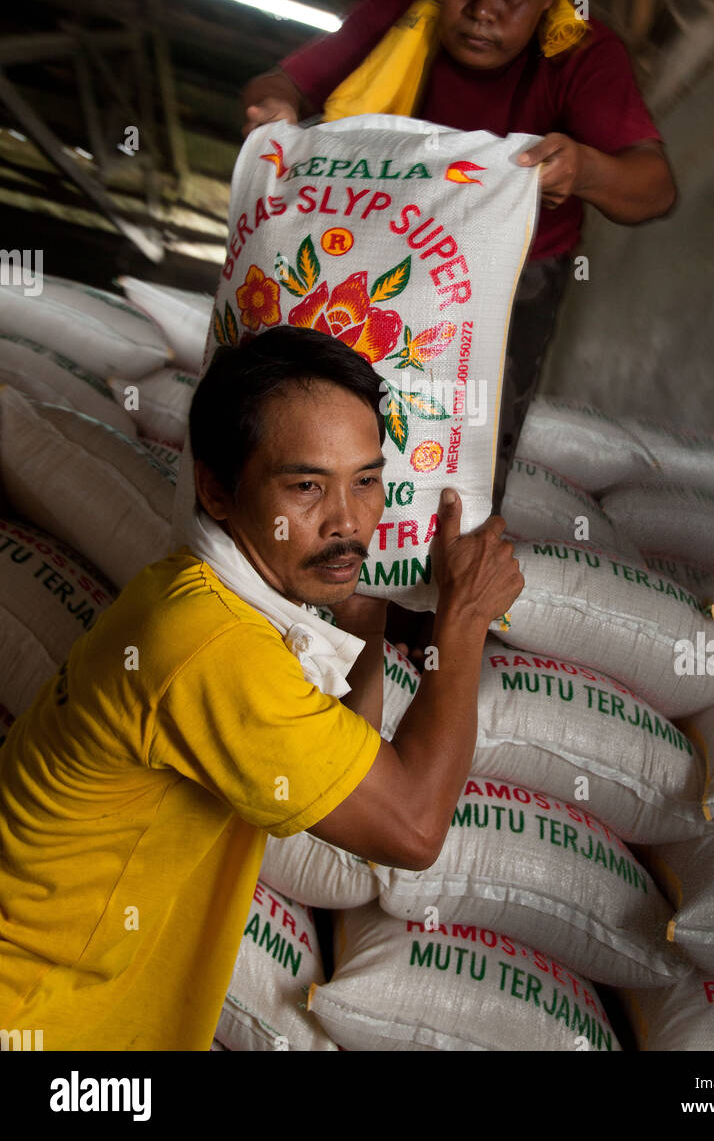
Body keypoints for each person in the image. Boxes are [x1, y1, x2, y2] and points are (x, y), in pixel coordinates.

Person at [0, 326, 523, 1050]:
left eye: (366, 481)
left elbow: (348, 751)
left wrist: (365, 607)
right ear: (217, 488)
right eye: (306, 486)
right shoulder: (214, 650)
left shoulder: (200, 599)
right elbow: (412, 826)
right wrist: (461, 622)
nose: (347, 521)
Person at [242, 0, 675, 660]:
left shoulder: (584, 57)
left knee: (454, 463)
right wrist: (274, 112)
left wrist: (585, 168)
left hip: (511, 291)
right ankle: (292, 594)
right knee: (323, 428)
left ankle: (411, 643)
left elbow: (654, 186)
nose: (481, 12)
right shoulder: (397, 16)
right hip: (374, 269)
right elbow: (283, 80)